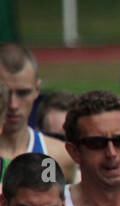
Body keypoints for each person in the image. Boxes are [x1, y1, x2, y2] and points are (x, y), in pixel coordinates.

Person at [0, 45, 78, 183]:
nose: (13, 104)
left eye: (23, 93)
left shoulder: (60, 157)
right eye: (5, 94)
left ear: (37, 89)